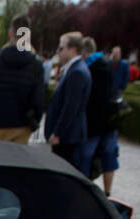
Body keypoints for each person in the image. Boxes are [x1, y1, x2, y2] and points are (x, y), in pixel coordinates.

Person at [0, 15, 46, 144]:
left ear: (10, 33)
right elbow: (39, 99)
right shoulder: (36, 64)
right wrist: (33, 122)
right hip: (23, 125)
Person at [79, 35, 120, 194]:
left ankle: (84, 192)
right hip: (110, 120)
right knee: (109, 157)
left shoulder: (88, 67)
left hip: (93, 121)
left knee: (86, 157)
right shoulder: (108, 64)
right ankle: (107, 192)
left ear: (83, 51)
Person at [44, 32, 90, 169]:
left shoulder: (77, 72)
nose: (58, 52)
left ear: (73, 50)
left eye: (61, 48)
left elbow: (71, 107)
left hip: (68, 139)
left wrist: (58, 133)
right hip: (67, 138)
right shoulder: (72, 70)